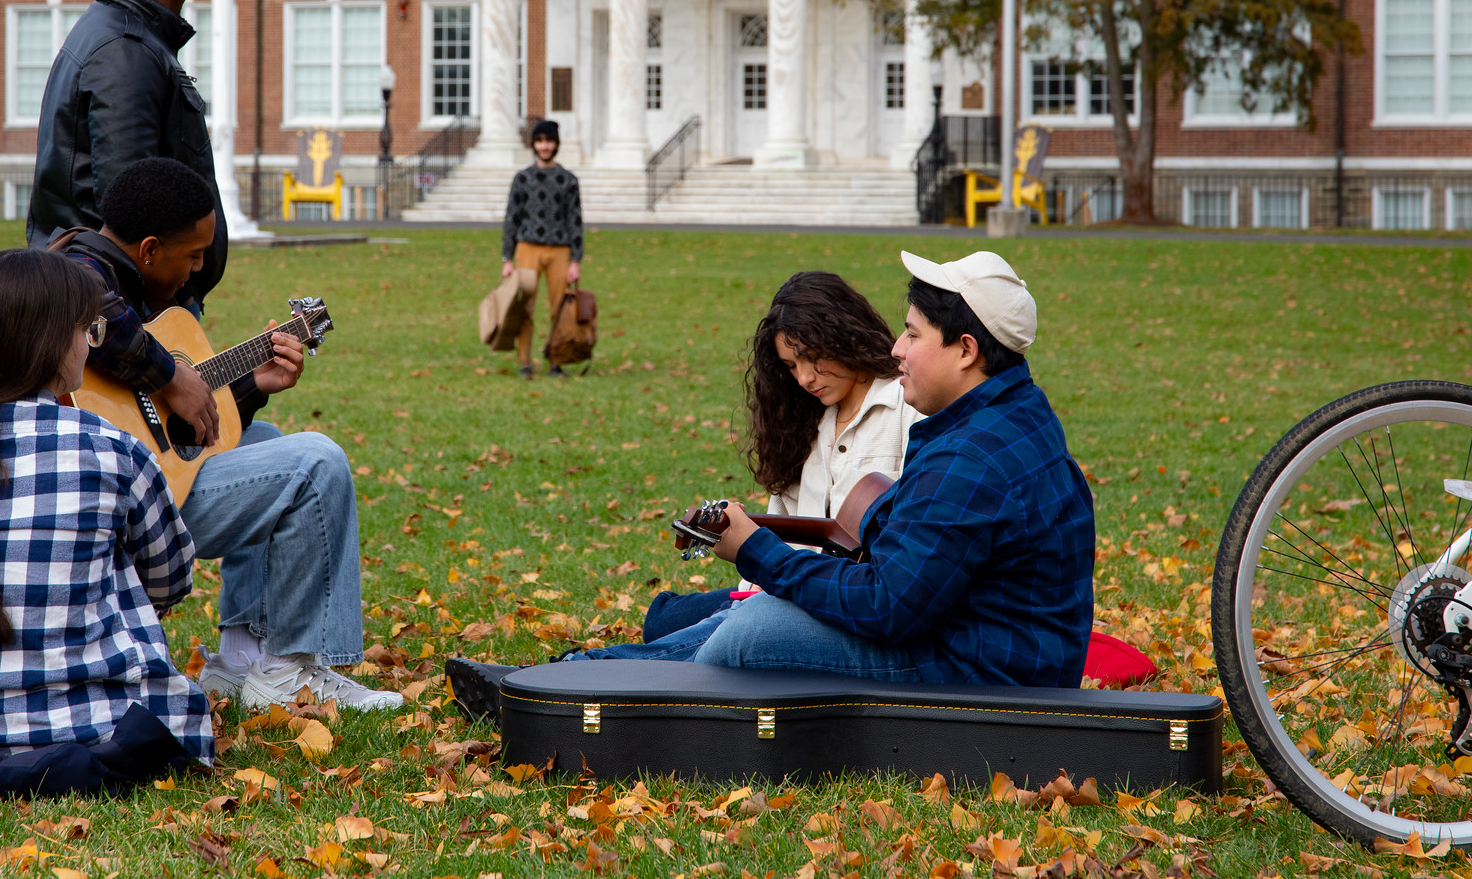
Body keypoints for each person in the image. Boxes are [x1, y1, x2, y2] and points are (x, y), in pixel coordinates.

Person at [448, 249, 1094, 715]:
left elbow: (888, 606)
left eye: (913, 332)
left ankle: (577, 699)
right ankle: (557, 682)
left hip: (978, 671)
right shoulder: (999, 419)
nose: (897, 348)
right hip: (970, 640)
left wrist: (758, 551)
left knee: (754, 632)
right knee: (750, 614)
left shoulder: (974, 453)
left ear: (966, 349)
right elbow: (908, 562)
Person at [51, 156, 401, 712]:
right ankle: (294, 673)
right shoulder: (74, 272)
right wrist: (172, 376)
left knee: (263, 440)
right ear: (147, 249)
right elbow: (99, 316)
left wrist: (251, 386)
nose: (195, 272)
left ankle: (242, 661)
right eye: (192, 257)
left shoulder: (127, 287)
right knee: (317, 462)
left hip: (139, 486)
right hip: (113, 509)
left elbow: (167, 427)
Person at [0, 248, 216, 762]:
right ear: (56, 345)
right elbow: (171, 580)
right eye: (86, 331)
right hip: (95, 725)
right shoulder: (111, 448)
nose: (88, 345)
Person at [637, 271, 915, 643]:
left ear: (848, 335)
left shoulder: (904, 405)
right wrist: (750, 590)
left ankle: (576, 668)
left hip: (852, 599)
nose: (803, 378)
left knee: (692, 633)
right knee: (666, 622)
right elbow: (781, 529)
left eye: (813, 359)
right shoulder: (801, 420)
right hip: (786, 591)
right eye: (790, 366)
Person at [27, 0, 228, 313]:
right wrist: (171, 304)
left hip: (120, 296)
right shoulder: (124, 50)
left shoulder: (115, 36)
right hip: (128, 305)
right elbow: (133, 204)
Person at [500, 119, 583, 379]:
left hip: (559, 250)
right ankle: (525, 360)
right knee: (524, 305)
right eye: (540, 141)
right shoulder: (522, 179)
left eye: (548, 141)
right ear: (533, 144)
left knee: (559, 308)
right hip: (528, 248)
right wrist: (507, 257)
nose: (544, 146)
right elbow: (511, 218)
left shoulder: (568, 180)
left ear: (556, 144)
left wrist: (575, 260)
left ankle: (556, 361)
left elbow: (575, 220)